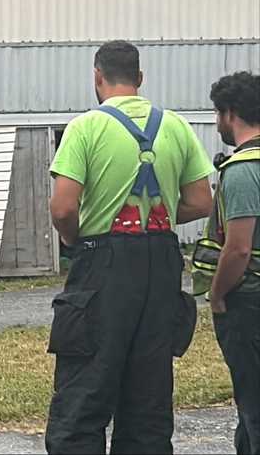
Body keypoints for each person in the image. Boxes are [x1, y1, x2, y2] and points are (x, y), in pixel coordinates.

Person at [44, 41, 214, 454]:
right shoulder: (175, 126)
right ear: (140, 79)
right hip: (161, 267)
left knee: (85, 391)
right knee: (148, 400)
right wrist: (162, 212)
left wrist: (75, 237)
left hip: (103, 264)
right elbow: (202, 201)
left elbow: (64, 206)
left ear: (97, 77)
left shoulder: (85, 127)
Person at [198, 72, 260, 455]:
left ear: (230, 114)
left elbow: (237, 249)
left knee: (252, 404)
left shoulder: (241, 171)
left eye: (217, 114)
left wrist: (217, 295)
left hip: (249, 303)